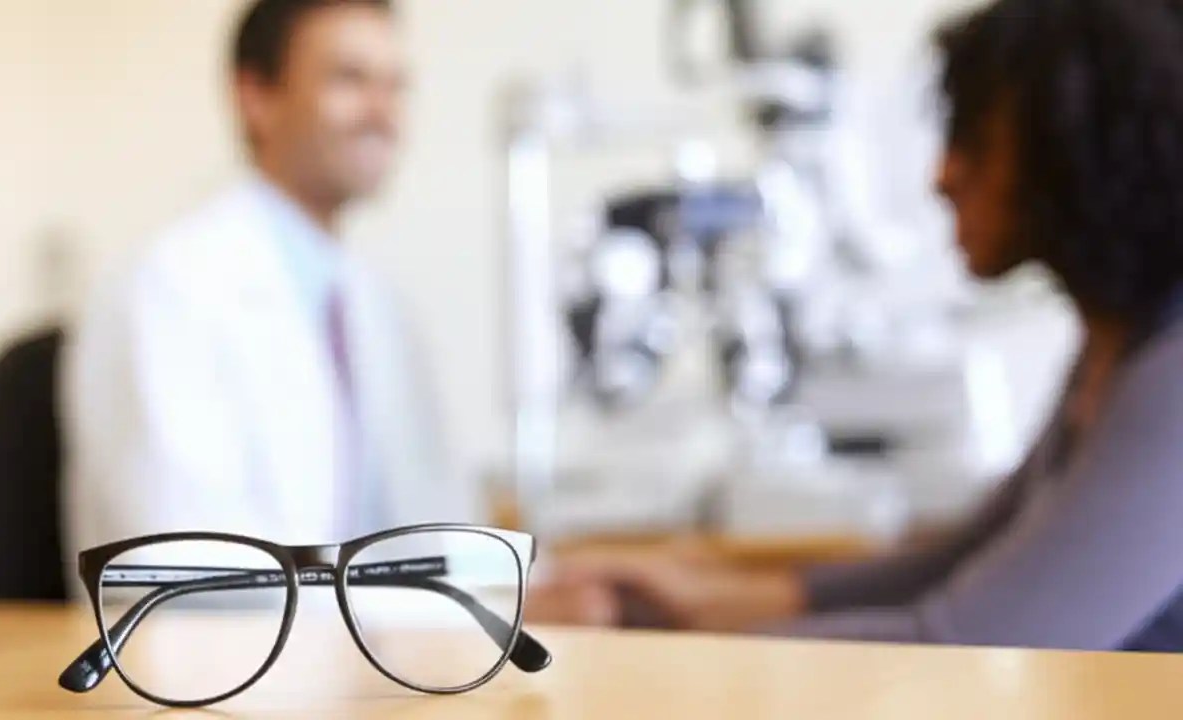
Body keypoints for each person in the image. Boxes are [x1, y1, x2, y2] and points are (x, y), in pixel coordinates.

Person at [534, 0, 1183, 651]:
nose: (943, 174)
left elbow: (969, 644)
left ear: (1079, 144)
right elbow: (964, 561)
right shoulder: (1112, 347)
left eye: (975, 140)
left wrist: (638, 649)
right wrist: (692, 598)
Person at [64, 0, 455, 560]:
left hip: (376, 643)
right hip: (222, 647)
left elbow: (429, 535)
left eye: (396, 85)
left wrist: (522, 595)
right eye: (350, 79)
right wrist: (444, 614)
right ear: (257, 98)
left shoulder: (380, 308)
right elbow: (191, 575)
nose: (382, 111)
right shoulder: (165, 291)